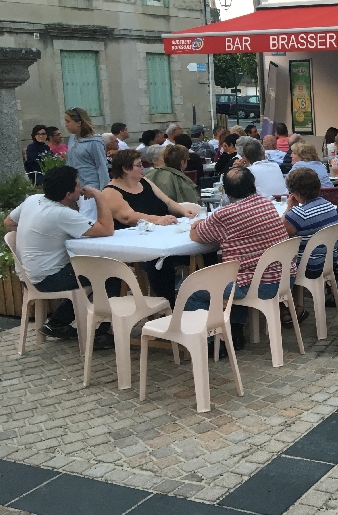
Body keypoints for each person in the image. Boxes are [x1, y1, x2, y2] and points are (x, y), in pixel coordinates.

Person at [4, 165, 116, 347]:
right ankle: (100, 334)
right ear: (68, 194)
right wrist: (99, 195)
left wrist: (39, 231)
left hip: (27, 275)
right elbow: (107, 229)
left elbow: (8, 222)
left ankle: (57, 323)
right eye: (78, 186)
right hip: (46, 278)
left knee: (88, 272)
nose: (81, 189)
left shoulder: (33, 199)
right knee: (109, 274)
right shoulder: (61, 214)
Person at [188, 167, 295, 351]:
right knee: (235, 273)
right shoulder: (266, 203)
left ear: (227, 191)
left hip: (258, 285)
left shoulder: (225, 214)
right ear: (253, 184)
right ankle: (234, 331)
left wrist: (195, 225)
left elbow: (197, 237)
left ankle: (210, 343)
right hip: (285, 278)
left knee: (190, 287)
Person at [102, 150, 198, 305]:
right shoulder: (110, 192)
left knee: (202, 250)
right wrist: (158, 219)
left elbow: (166, 201)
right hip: (137, 245)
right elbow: (127, 216)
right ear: (126, 169)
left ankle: (202, 297)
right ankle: (168, 304)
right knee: (161, 263)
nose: (142, 168)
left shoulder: (144, 182)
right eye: (138, 165)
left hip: (164, 236)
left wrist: (183, 211)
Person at [282, 167, 338, 321]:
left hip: (309, 265)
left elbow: (280, 232)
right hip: (329, 260)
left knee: (276, 266)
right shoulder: (330, 206)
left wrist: (289, 207)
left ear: (296, 193)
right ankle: (296, 305)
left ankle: (285, 309)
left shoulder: (299, 214)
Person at [64, 108, 109, 219]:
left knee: (86, 219)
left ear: (79, 123)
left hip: (91, 187)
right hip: (76, 187)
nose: (66, 124)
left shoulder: (94, 142)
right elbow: (69, 162)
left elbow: (101, 167)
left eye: (68, 121)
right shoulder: (72, 139)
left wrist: (104, 191)